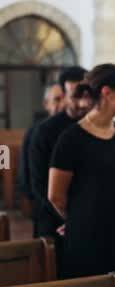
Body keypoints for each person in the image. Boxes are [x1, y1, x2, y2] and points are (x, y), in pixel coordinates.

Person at [48, 64, 115, 287]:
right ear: (107, 93)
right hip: (88, 238)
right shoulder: (71, 139)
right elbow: (55, 196)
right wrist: (80, 220)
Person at [29, 67, 91, 269]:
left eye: (85, 93)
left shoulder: (96, 126)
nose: (81, 101)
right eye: (75, 95)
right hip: (53, 220)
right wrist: (68, 218)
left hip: (89, 220)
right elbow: (38, 183)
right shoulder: (45, 131)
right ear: (64, 95)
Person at [18, 83, 64, 236]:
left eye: (65, 98)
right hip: (46, 210)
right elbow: (27, 175)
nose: (62, 104)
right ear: (46, 104)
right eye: (57, 99)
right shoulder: (38, 131)